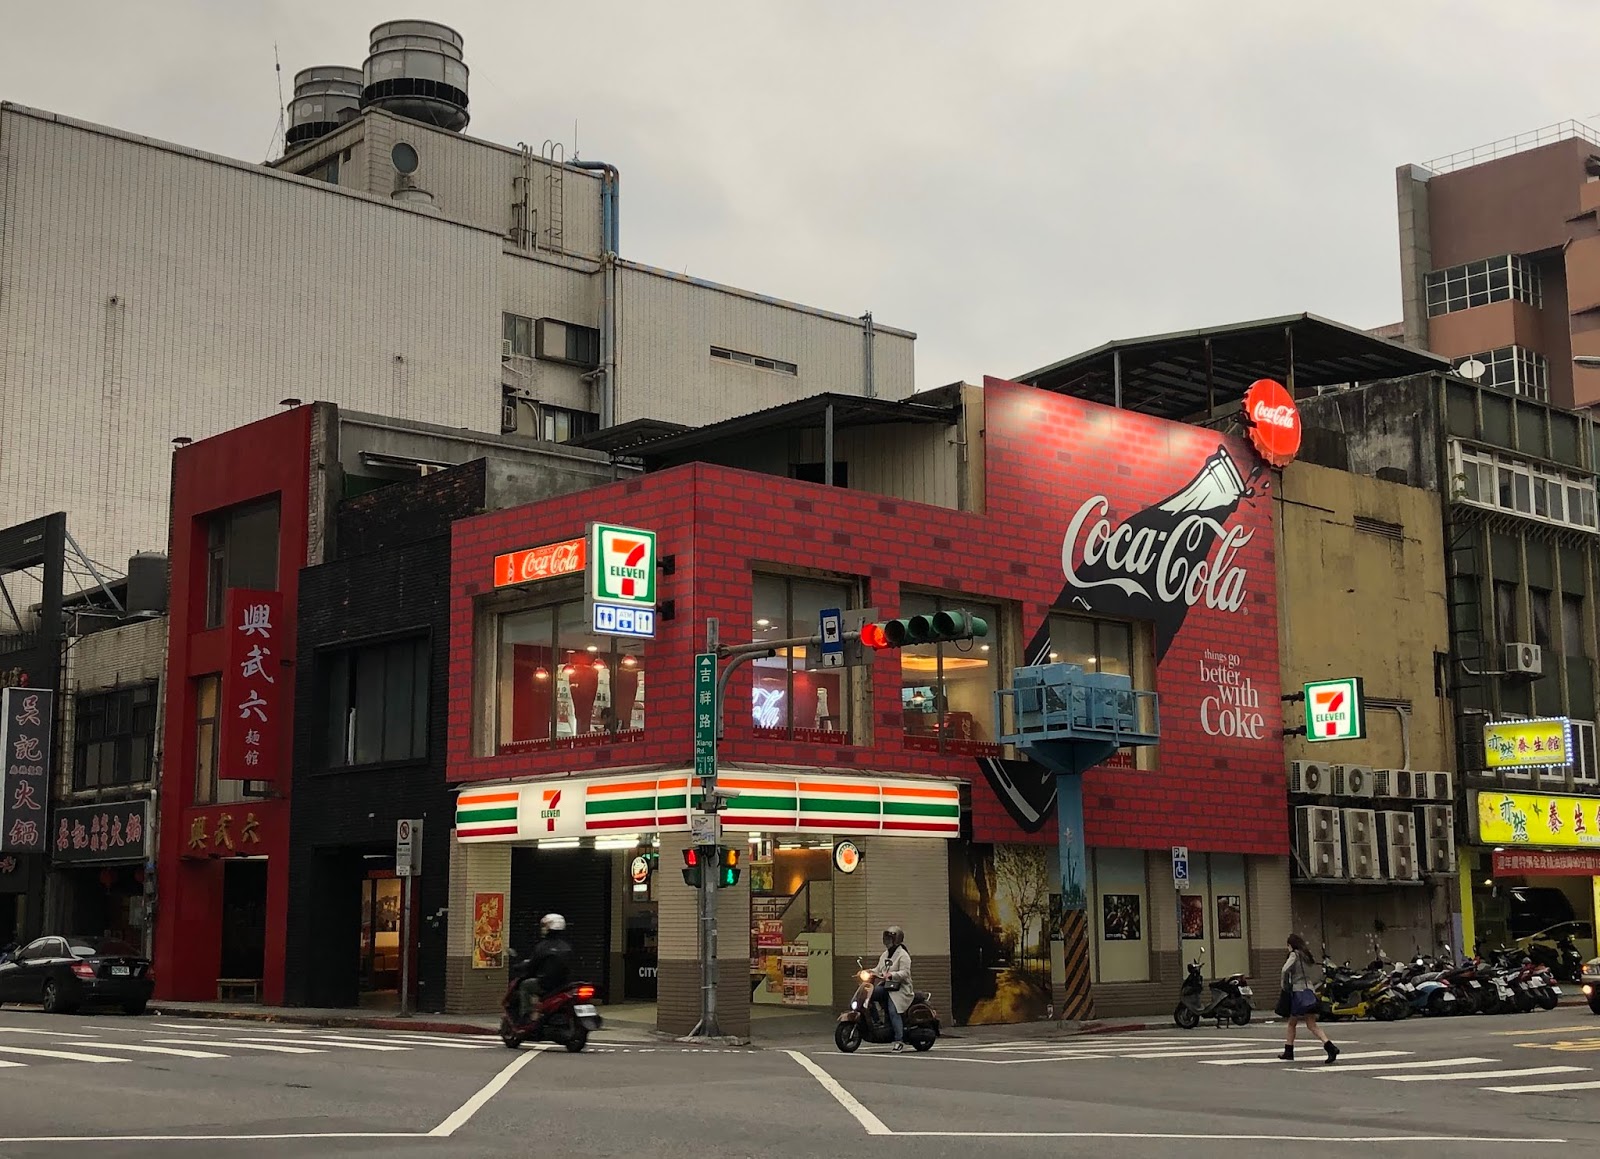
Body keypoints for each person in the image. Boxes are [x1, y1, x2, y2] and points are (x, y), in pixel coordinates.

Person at [1279, 933, 1338, 1063]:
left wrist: (1284, 985)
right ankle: (1329, 1046)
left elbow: (1284, 970)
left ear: (1290, 945)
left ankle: (1289, 1051)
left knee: (1292, 1023)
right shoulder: (1307, 956)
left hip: (1298, 992)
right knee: (1312, 1024)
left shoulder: (1294, 955)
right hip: (1309, 991)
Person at [514, 914, 574, 1028]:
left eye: (545, 926)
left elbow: (533, 964)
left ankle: (526, 1016)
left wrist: (521, 967)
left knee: (524, 986)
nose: (543, 929)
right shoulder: (566, 946)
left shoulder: (543, 946)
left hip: (546, 984)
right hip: (564, 984)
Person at [872, 925, 914, 1053]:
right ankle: (877, 1021)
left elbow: (905, 973)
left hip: (900, 989)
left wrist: (892, 975)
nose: (887, 941)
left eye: (890, 938)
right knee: (868, 995)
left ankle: (899, 1040)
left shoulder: (903, 955)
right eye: (886, 938)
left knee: (892, 1010)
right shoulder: (885, 954)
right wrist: (868, 971)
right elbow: (879, 969)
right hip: (887, 987)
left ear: (897, 940)